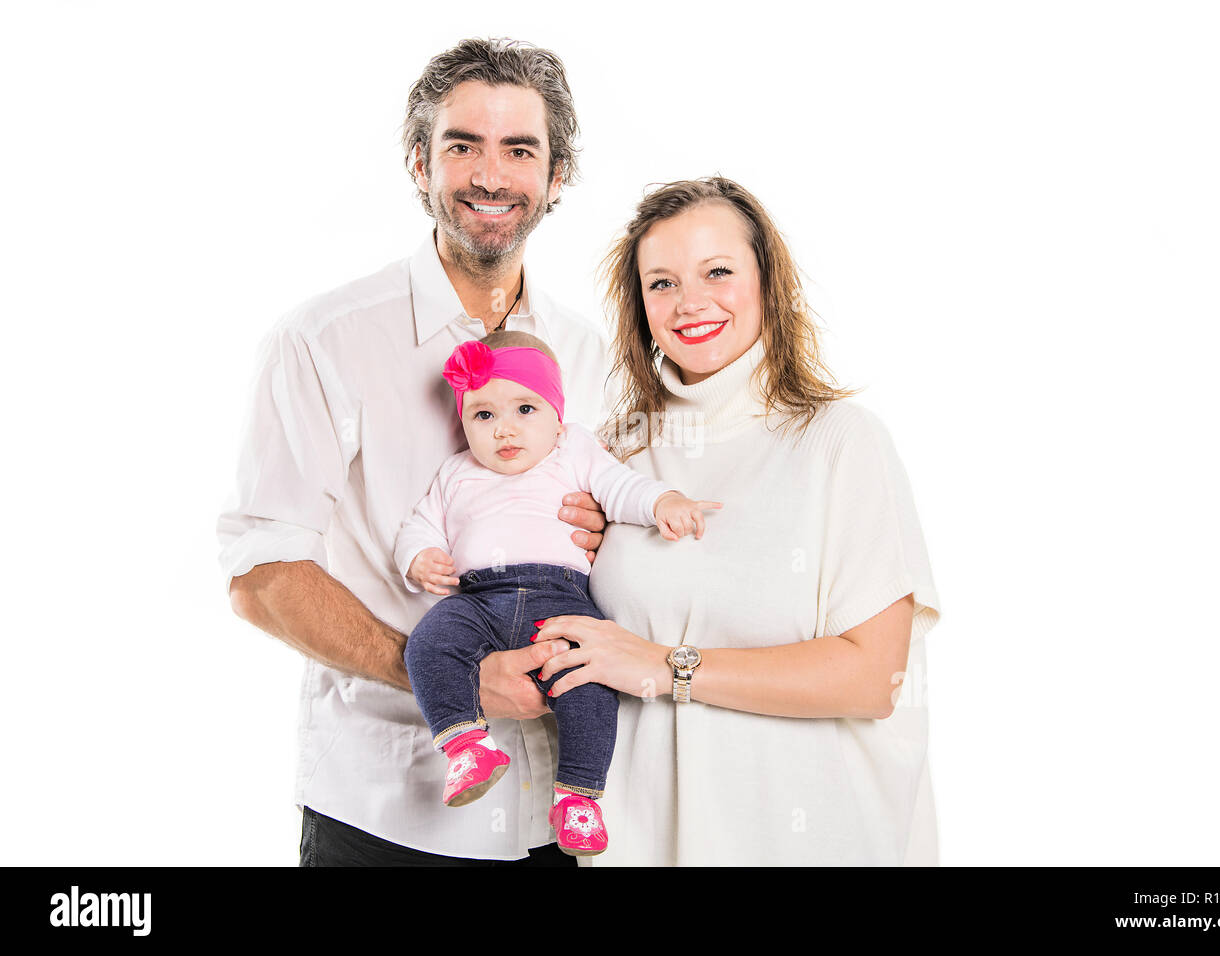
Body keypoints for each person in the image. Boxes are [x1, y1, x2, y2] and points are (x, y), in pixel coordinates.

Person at [217, 38, 612, 866]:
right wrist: (445, 677)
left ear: (557, 174)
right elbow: (262, 574)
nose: (490, 175)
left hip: (559, 821)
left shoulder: (594, 354)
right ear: (418, 161)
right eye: (462, 144)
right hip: (382, 817)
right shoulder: (323, 343)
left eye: (520, 149)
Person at [530, 177, 944, 866]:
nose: (690, 302)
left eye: (717, 271)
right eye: (661, 283)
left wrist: (667, 667)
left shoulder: (840, 442)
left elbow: (875, 680)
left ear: (767, 281)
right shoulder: (612, 456)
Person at [396, 332, 720, 855]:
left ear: (557, 415)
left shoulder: (574, 450)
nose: (504, 429)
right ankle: (465, 745)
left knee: (588, 684)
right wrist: (417, 559)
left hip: (559, 600)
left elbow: (620, 486)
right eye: (482, 415)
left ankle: (579, 798)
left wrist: (662, 501)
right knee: (427, 644)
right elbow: (418, 526)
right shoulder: (455, 472)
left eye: (525, 408)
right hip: (477, 599)